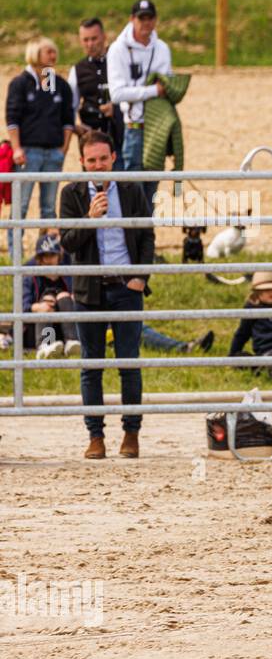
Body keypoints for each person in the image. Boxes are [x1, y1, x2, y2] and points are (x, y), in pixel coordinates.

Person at [58, 131, 153, 460]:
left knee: (129, 363)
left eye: (103, 158)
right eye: (91, 160)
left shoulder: (130, 190)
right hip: (90, 289)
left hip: (126, 286)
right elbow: (67, 243)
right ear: (82, 162)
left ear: (114, 157)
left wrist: (140, 275)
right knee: (91, 365)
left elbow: (146, 235)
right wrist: (89, 220)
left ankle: (131, 433)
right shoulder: (71, 194)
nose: (98, 165)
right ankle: (95, 436)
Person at [6, 37, 75, 258]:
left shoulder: (61, 85)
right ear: (35, 54)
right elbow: (12, 119)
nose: (53, 57)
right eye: (48, 52)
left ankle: (46, 254)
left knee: (49, 208)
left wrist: (63, 150)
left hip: (53, 154)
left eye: (54, 52)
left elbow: (68, 120)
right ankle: (14, 255)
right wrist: (17, 149)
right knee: (21, 207)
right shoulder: (20, 83)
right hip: (28, 153)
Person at [106, 0, 172, 208]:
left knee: (152, 185)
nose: (146, 23)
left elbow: (167, 85)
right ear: (132, 19)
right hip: (133, 126)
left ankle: (147, 236)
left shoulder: (162, 48)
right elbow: (117, 93)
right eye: (141, 18)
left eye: (150, 18)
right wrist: (153, 90)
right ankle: (133, 235)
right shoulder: (118, 49)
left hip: (157, 126)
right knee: (133, 185)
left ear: (155, 20)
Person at [68, 18, 124, 166]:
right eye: (85, 40)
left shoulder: (120, 61)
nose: (90, 44)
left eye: (94, 38)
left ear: (104, 37)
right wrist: (75, 127)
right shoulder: (77, 69)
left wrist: (117, 109)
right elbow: (69, 106)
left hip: (120, 137)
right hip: (90, 143)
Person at [22, 233, 79, 359]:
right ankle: (44, 346)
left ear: (58, 256)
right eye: (44, 256)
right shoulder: (30, 277)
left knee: (64, 296)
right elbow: (22, 307)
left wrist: (69, 299)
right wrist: (38, 307)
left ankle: (71, 341)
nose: (48, 260)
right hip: (36, 329)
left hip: (62, 326)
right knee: (47, 302)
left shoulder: (67, 274)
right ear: (39, 259)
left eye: (52, 255)